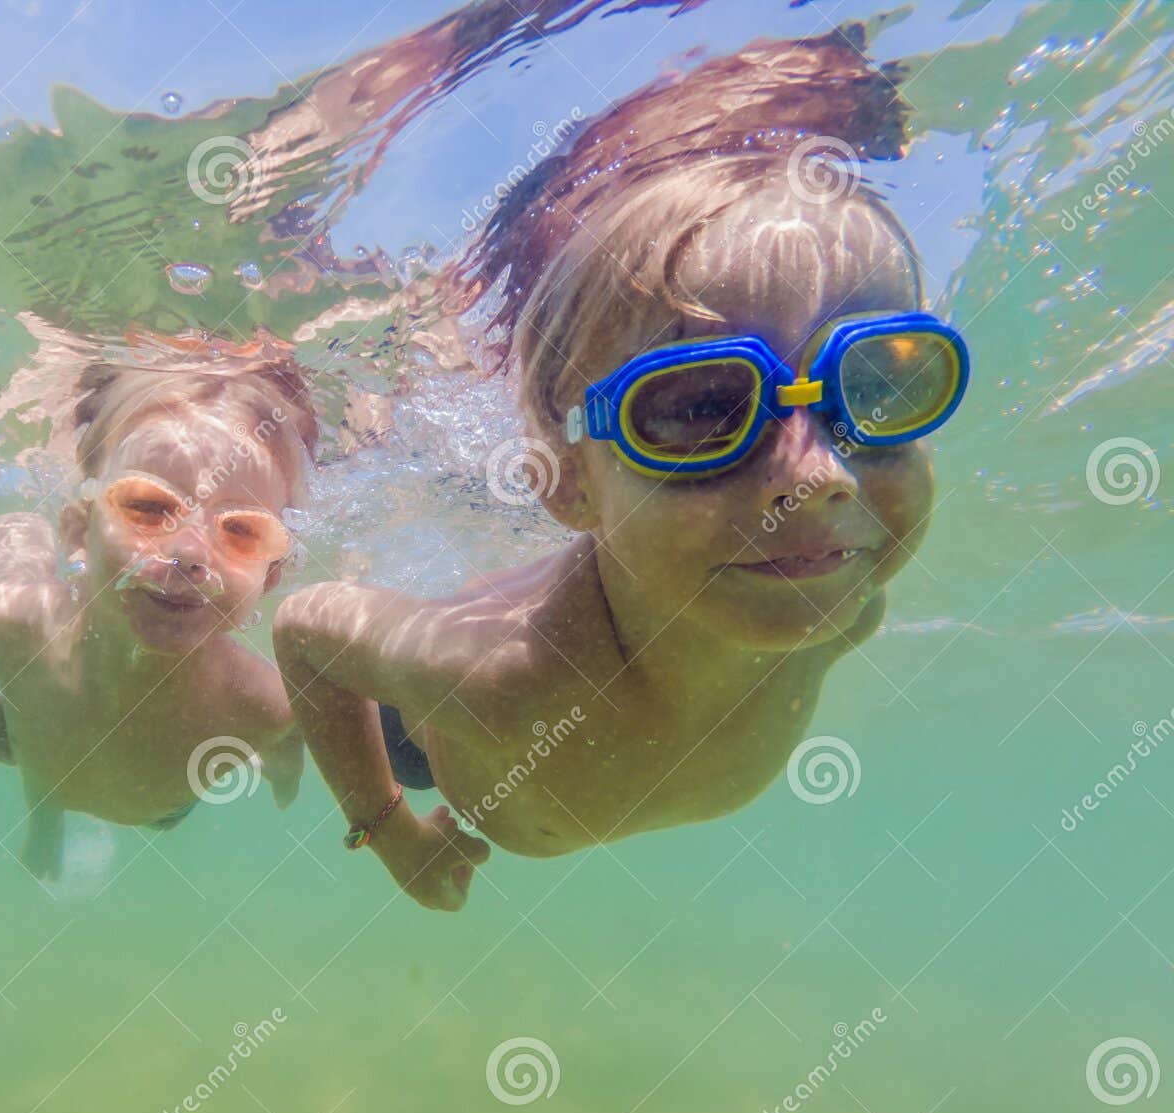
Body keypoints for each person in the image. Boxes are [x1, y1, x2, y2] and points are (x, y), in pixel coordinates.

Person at [272, 28, 970, 912]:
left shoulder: (839, 599)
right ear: (566, 478)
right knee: (267, 720)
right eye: (704, 409)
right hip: (423, 731)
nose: (823, 473)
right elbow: (303, 628)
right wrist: (389, 830)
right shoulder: (500, 683)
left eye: (877, 390)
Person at [0, 343, 317, 878]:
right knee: (45, 772)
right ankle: (44, 826)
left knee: (162, 817)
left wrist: (281, 775)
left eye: (241, 530)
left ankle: (88, 815)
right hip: (48, 764)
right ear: (80, 530)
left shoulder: (269, 705)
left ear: (271, 576)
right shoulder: (18, 619)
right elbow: (2, 537)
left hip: (162, 800)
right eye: (148, 507)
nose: (190, 554)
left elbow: (290, 740)